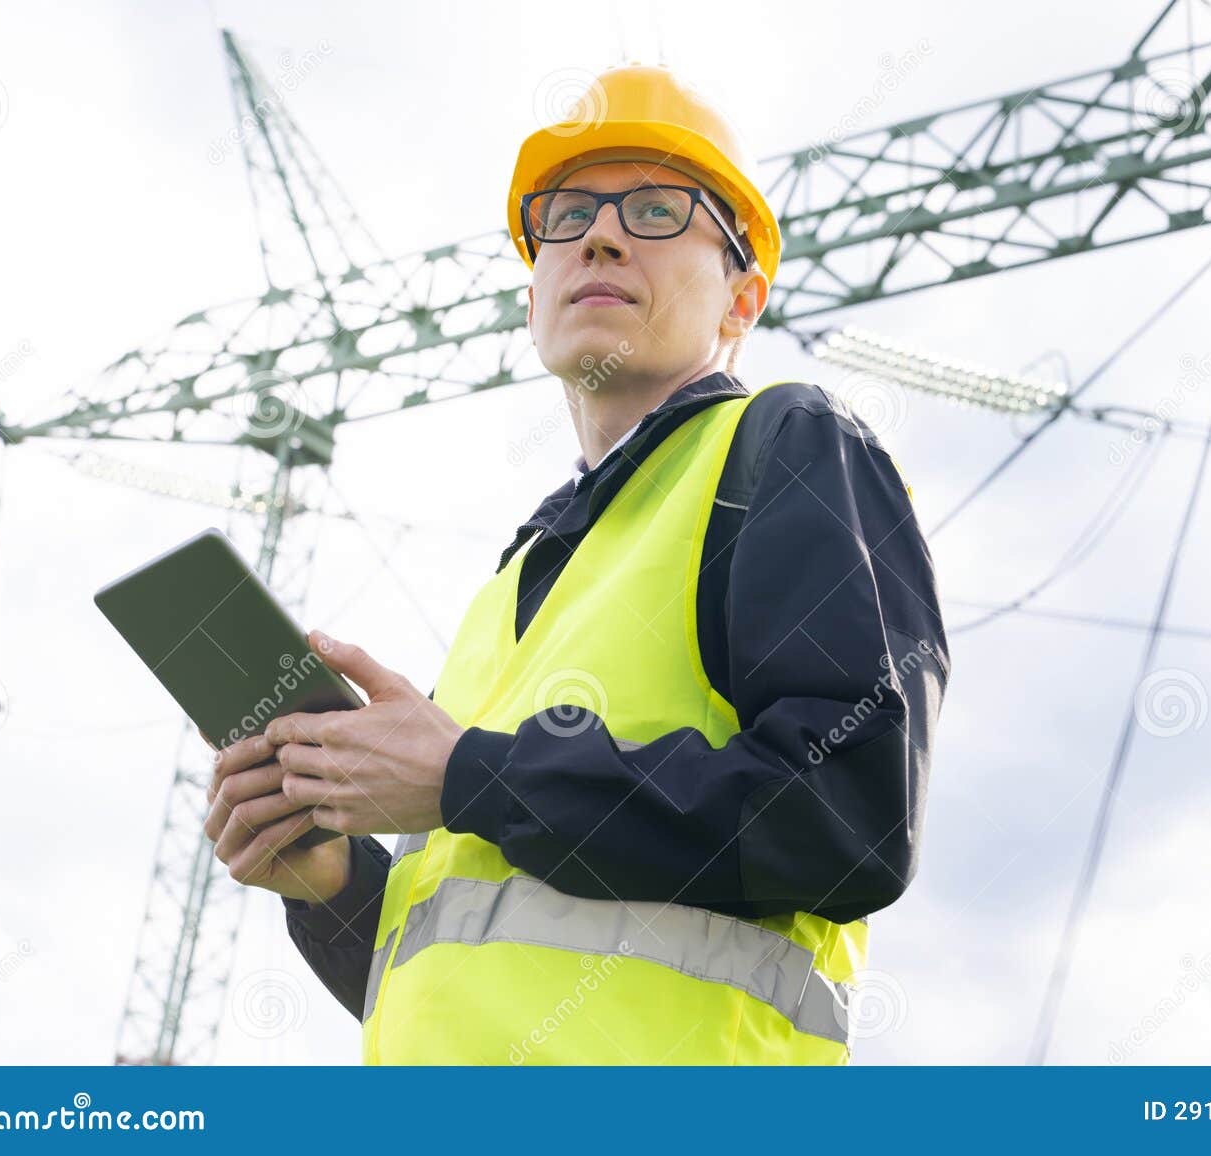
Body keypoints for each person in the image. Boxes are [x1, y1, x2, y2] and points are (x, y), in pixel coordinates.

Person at [203, 63, 949, 1064]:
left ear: (743, 295)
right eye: (564, 215)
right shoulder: (509, 588)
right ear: (534, 289)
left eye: (653, 208)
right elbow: (445, 966)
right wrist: (332, 880)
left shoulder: (787, 448)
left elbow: (847, 815)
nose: (598, 234)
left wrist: (470, 771)